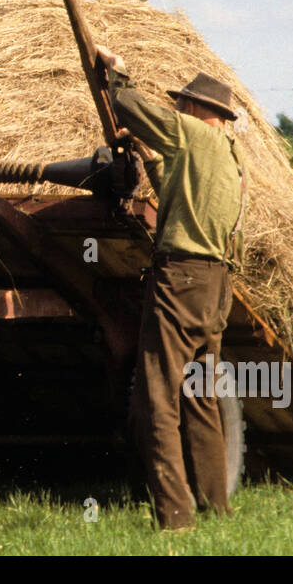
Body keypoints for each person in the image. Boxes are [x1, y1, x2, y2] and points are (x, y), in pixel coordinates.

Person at [96, 46, 246, 531]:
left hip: (180, 280)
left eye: (184, 104)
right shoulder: (229, 158)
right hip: (215, 285)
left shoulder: (194, 134)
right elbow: (178, 197)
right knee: (200, 395)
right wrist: (146, 157)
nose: (179, 110)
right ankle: (215, 507)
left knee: (157, 397)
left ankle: (175, 518)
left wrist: (116, 75)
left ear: (204, 113)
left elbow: (135, 110)